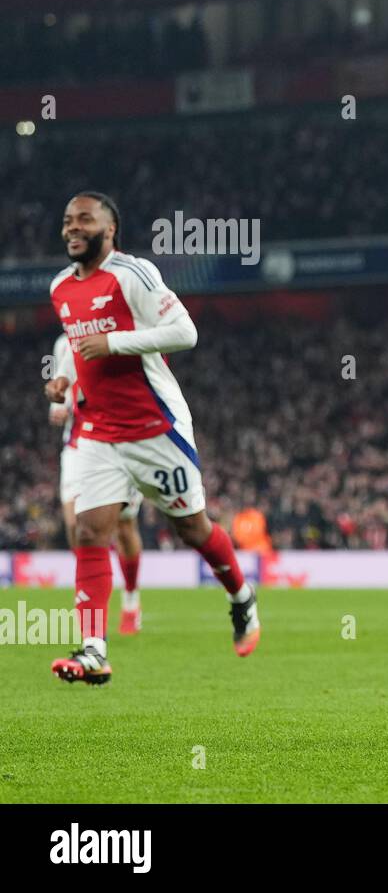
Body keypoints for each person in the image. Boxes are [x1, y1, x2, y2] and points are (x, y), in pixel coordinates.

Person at [46, 191, 260, 685]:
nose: (73, 227)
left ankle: (241, 597)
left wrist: (115, 342)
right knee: (88, 531)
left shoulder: (133, 274)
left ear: (110, 228)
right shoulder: (61, 288)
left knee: (194, 531)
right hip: (99, 431)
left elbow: (185, 333)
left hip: (155, 428)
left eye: (85, 219)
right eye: (67, 221)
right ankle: (94, 649)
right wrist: (63, 380)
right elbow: (78, 351)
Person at [48, 332, 146, 634]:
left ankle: (130, 600)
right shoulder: (63, 344)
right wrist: (57, 406)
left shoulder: (125, 336)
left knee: (125, 527)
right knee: (75, 526)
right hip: (77, 445)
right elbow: (57, 390)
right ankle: (89, 599)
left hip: (119, 443)